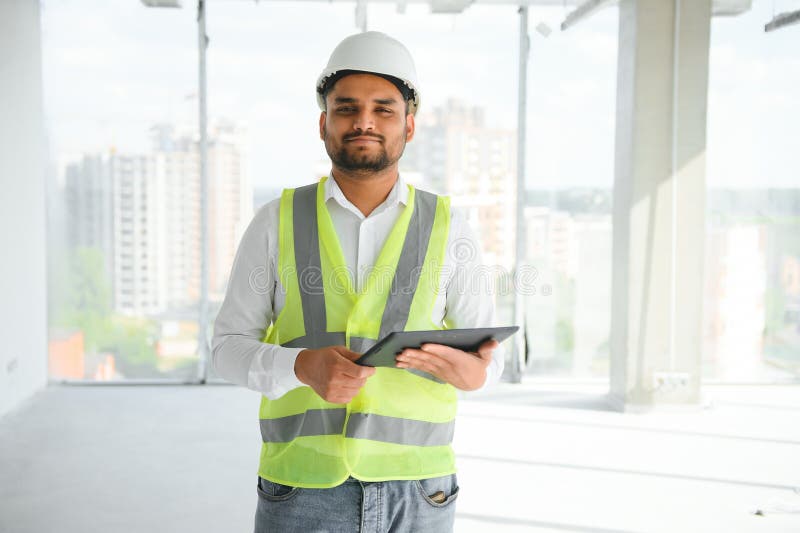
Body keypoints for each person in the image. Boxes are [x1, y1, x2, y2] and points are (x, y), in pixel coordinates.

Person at [212, 30, 504, 533]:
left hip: (420, 490)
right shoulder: (275, 222)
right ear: (323, 124)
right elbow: (226, 348)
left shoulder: (449, 227)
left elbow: (489, 353)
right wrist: (300, 366)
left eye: (384, 109)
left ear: (409, 127)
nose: (364, 121)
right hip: (302, 487)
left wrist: (476, 374)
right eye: (346, 108)